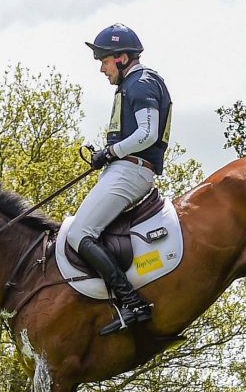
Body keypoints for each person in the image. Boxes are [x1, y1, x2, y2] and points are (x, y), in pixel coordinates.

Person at [73, 22, 172, 332]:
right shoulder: (131, 84)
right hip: (126, 167)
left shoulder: (141, 82)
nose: (102, 69)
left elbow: (147, 133)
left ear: (123, 57)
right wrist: (108, 153)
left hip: (133, 169)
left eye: (105, 61)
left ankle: (131, 303)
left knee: (79, 234)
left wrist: (111, 152)